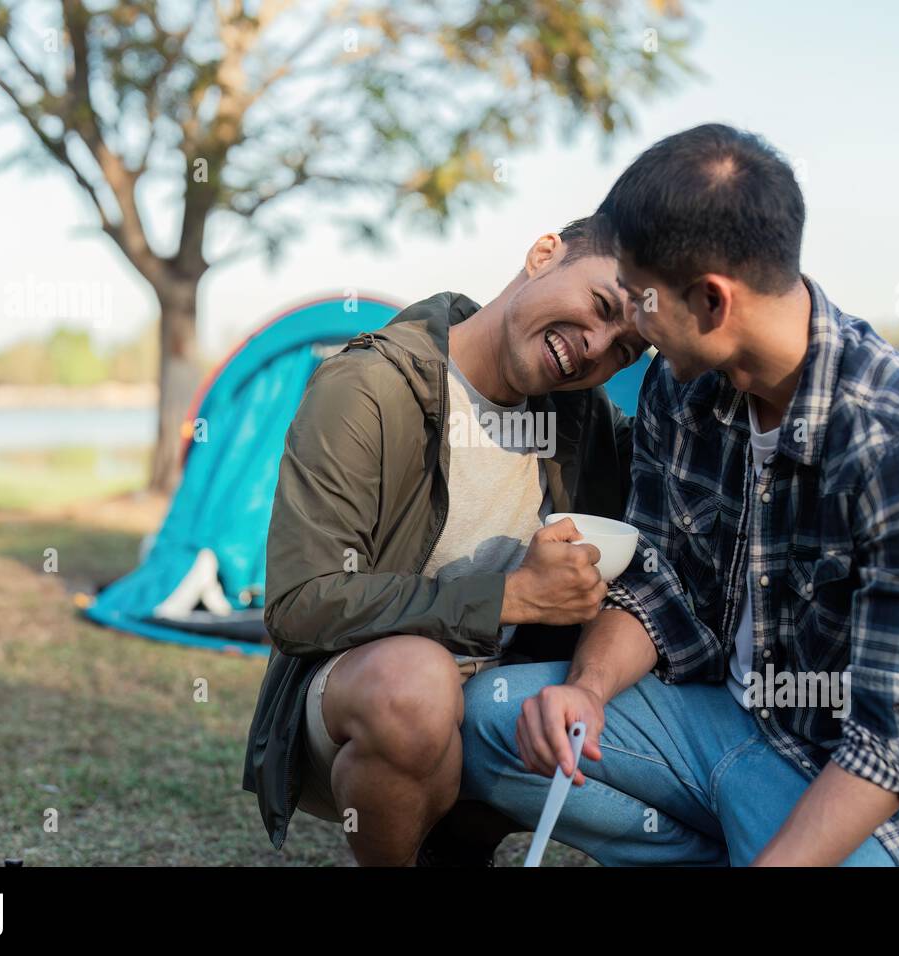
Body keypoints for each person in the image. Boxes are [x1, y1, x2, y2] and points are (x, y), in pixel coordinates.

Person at [461, 124, 899, 866]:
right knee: (497, 720)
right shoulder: (678, 389)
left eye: (639, 296)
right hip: (719, 725)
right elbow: (657, 592)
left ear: (713, 302)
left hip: (861, 787)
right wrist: (588, 690)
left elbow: (887, 749)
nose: (631, 321)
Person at [243, 216, 649, 865]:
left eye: (625, 350)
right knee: (417, 685)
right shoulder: (371, 387)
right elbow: (300, 605)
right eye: (600, 307)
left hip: (497, 711)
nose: (596, 347)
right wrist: (507, 598)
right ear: (546, 253)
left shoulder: (583, 420)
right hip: (365, 699)